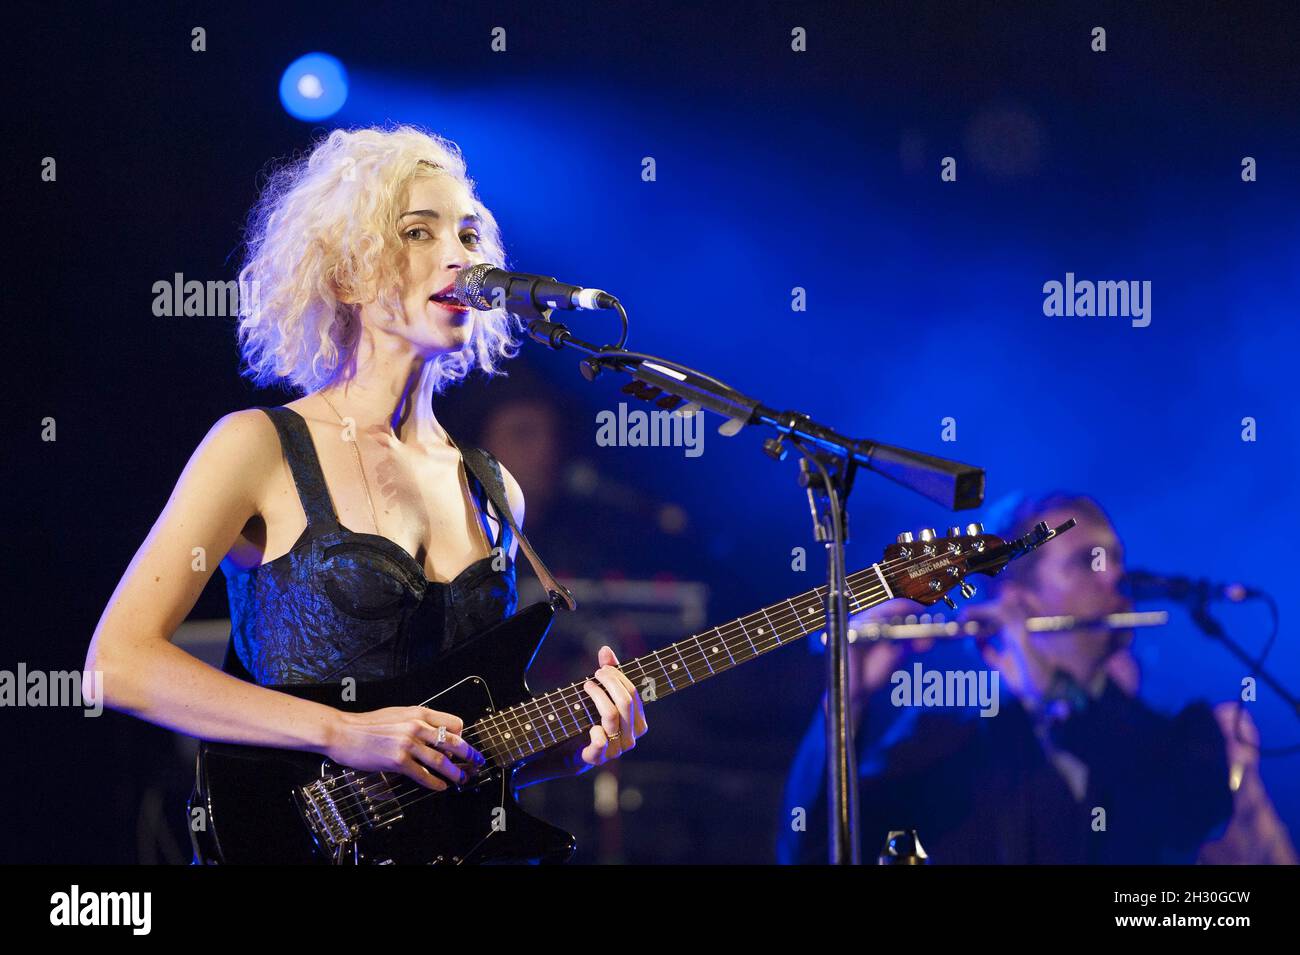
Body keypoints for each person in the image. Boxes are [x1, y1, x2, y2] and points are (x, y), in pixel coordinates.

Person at [84, 126, 648, 824]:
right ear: (347, 274)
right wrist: (344, 732)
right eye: (419, 233)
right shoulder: (256, 446)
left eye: (470, 237)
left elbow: (453, 764)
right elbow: (116, 660)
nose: (458, 256)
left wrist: (563, 751)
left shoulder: (496, 491)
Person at [778, 492, 1234, 864]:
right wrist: (846, 702)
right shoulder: (947, 735)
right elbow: (815, 855)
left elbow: (1186, 820)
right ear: (1020, 599)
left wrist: (1056, 697)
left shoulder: (1177, 732)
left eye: (1115, 558)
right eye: (1087, 561)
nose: (1116, 575)